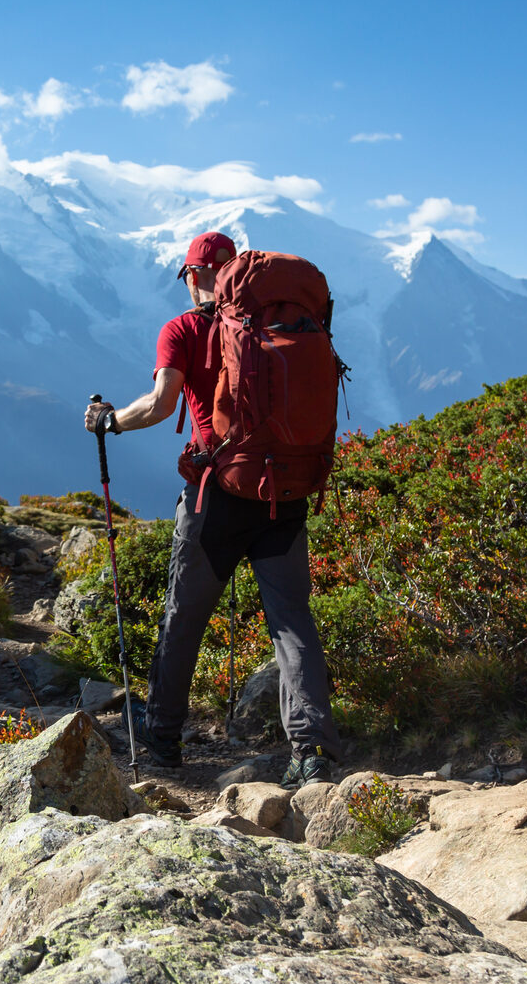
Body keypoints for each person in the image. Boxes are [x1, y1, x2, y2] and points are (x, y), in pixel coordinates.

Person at [84, 230, 342, 786]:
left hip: (217, 496)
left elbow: (160, 404)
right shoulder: (284, 321)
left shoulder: (183, 328)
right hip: (286, 493)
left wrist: (109, 420)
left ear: (195, 275)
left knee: (184, 618)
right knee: (292, 622)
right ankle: (312, 750)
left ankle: (163, 739)